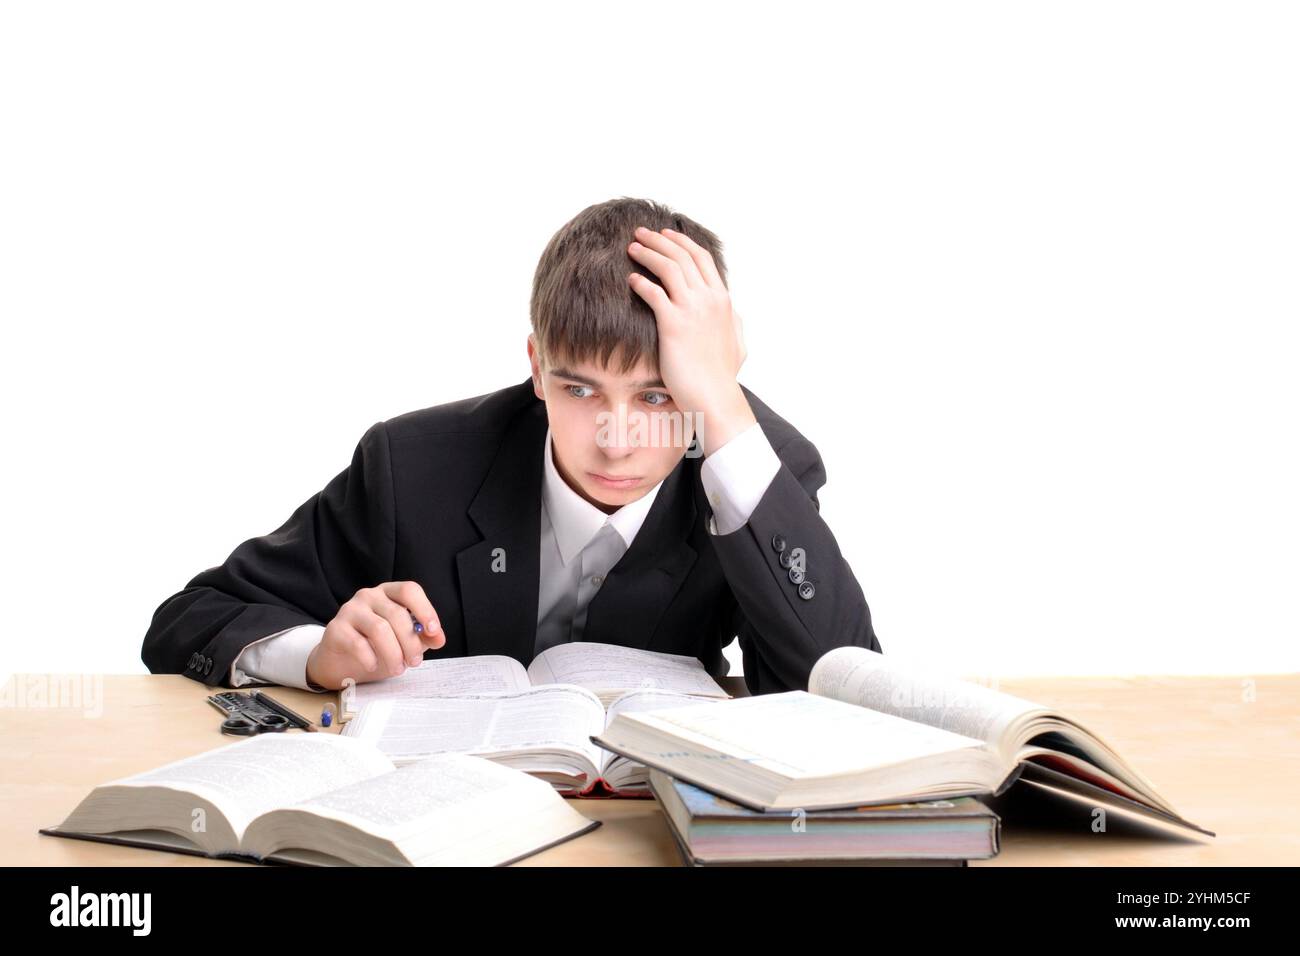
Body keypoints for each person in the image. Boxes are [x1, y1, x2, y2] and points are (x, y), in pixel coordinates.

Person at [142, 197, 883, 695]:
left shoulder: (755, 466)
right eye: (581, 390)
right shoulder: (416, 465)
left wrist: (719, 404)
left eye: (658, 397)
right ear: (536, 367)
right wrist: (314, 654)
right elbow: (188, 619)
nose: (617, 441)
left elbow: (835, 686)